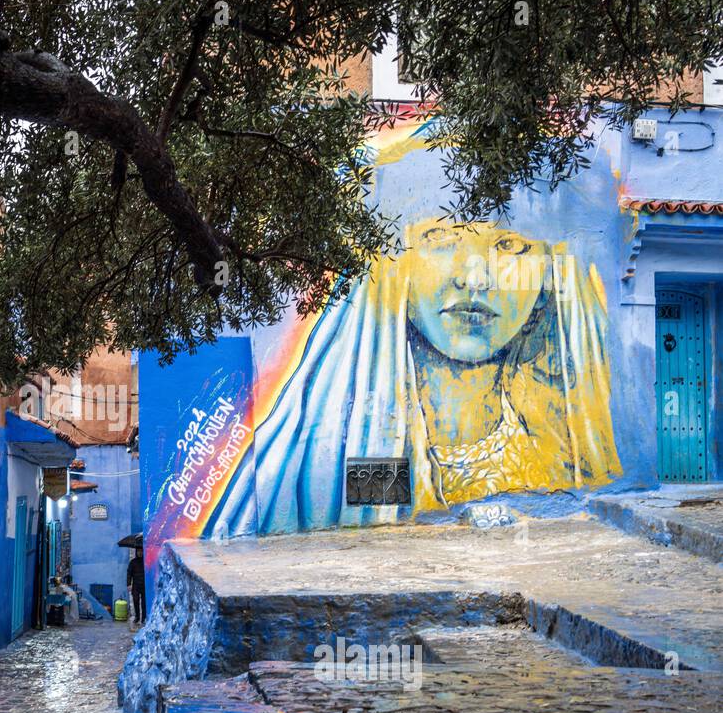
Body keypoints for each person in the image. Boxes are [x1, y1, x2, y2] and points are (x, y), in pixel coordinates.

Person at [206, 218, 621, 534]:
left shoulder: (563, 452)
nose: (475, 278)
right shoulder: (363, 443)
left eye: (510, 246)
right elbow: (370, 532)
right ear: (393, 268)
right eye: (440, 240)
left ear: (548, 278)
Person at [127, 548, 146, 625]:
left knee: (144, 603)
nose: (140, 553)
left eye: (141, 551)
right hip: (135, 585)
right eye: (138, 551)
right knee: (135, 601)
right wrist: (128, 584)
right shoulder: (133, 562)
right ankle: (137, 617)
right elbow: (129, 574)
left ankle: (143, 618)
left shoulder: (146, 561)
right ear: (136, 552)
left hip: (144, 585)